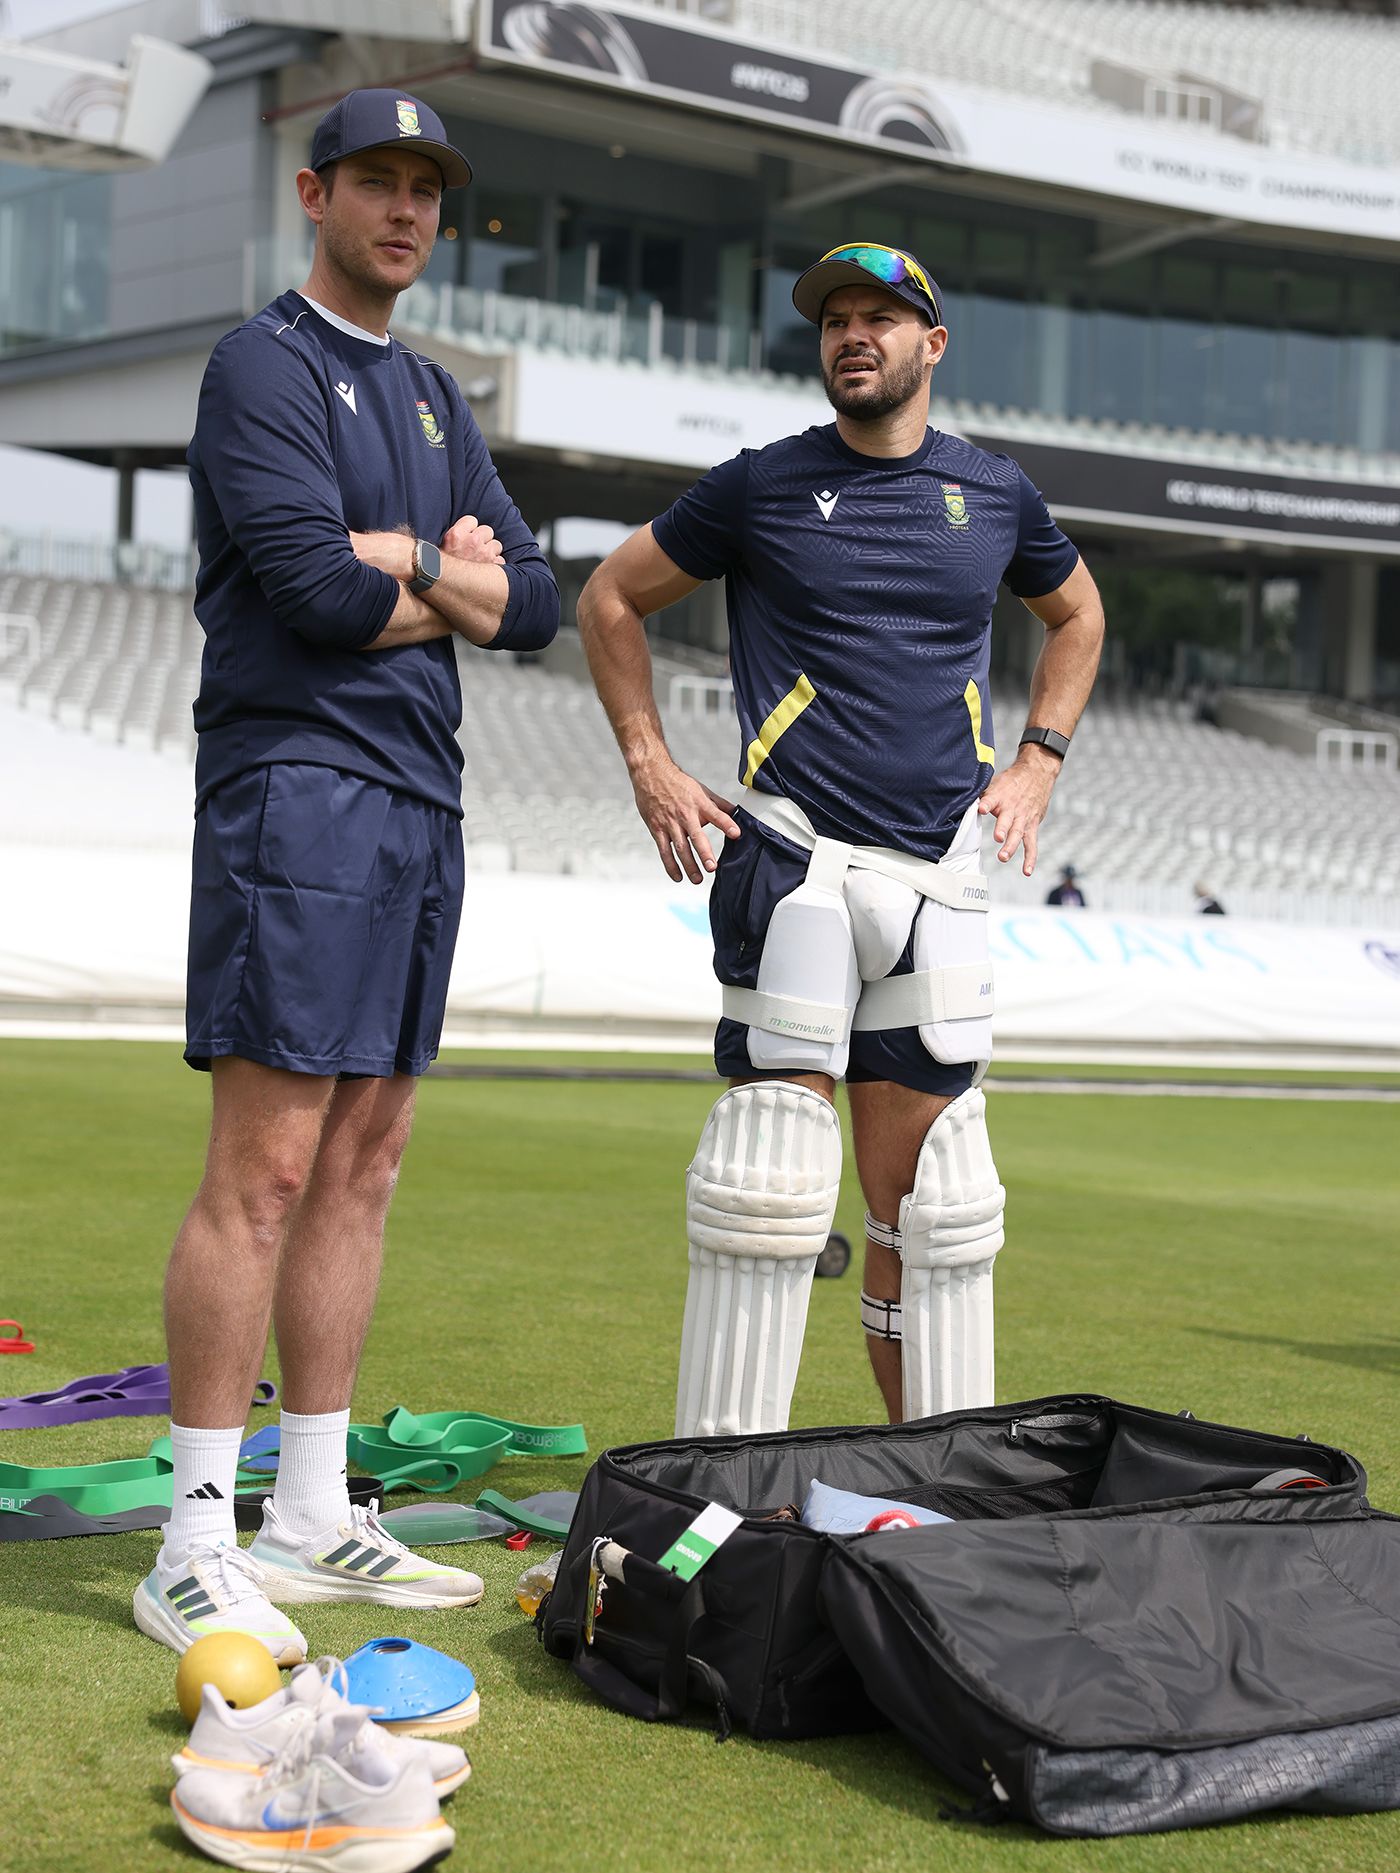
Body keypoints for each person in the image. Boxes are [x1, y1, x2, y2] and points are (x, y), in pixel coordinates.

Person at [134, 90, 559, 1662]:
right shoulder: (263, 362)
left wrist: (415, 563)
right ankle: (191, 1538)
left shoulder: (440, 393)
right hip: (295, 787)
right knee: (267, 1162)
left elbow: (538, 607)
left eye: (425, 190)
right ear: (314, 192)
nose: (403, 210)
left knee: (369, 1155)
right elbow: (313, 592)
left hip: (416, 796)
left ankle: (312, 1508)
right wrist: (429, 568)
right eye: (374, 182)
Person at [578, 240, 1103, 1435]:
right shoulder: (759, 484)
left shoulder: (994, 492)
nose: (850, 334)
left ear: (932, 344)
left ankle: (931, 1489)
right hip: (791, 861)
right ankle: (725, 1502)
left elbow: (1075, 614)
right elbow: (609, 596)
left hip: (935, 878)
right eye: (832, 320)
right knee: (766, 1193)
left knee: (924, 1215)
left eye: (879, 316)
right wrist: (649, 761)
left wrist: (1038, 760)